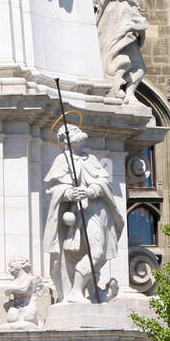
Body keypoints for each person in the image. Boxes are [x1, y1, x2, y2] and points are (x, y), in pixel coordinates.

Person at [43, 124, 123, 303]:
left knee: (99, 254)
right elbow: (52, 188)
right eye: (74, 132)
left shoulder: (90, 159)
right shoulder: (62, 160)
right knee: (91, 253)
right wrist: (68, 193)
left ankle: (92, 292)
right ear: (65, 140)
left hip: (98, 212)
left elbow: (104, 181)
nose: (79, 133)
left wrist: (92, 190)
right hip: (78, 214)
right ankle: (76, 291)